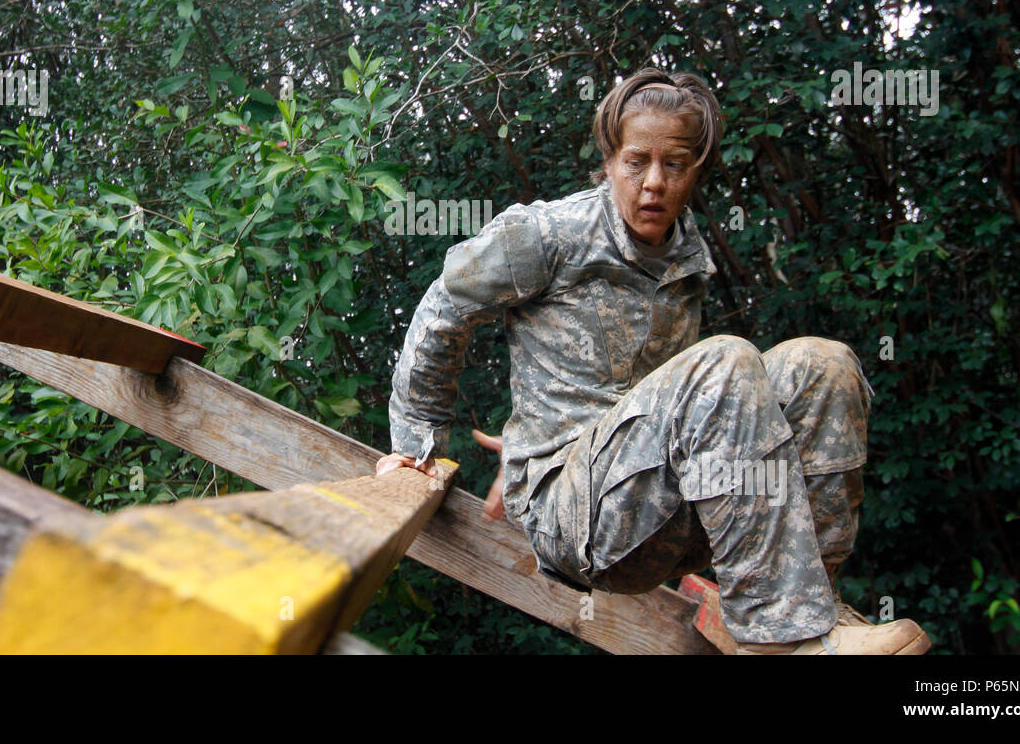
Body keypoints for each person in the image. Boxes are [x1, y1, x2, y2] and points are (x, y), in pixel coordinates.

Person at [377, 67, 930, 654]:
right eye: (636, 161)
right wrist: (417, 446)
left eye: (675, 164)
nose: (653, 183)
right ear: (609, 161)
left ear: (697, 168)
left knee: (824, 364)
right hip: (575, 515)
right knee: (724, 360)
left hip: (662, 507)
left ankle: (816, 614)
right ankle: (781, 642)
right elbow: (445, 305)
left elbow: (665, 405)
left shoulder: (688, 252)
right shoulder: (547, 234)